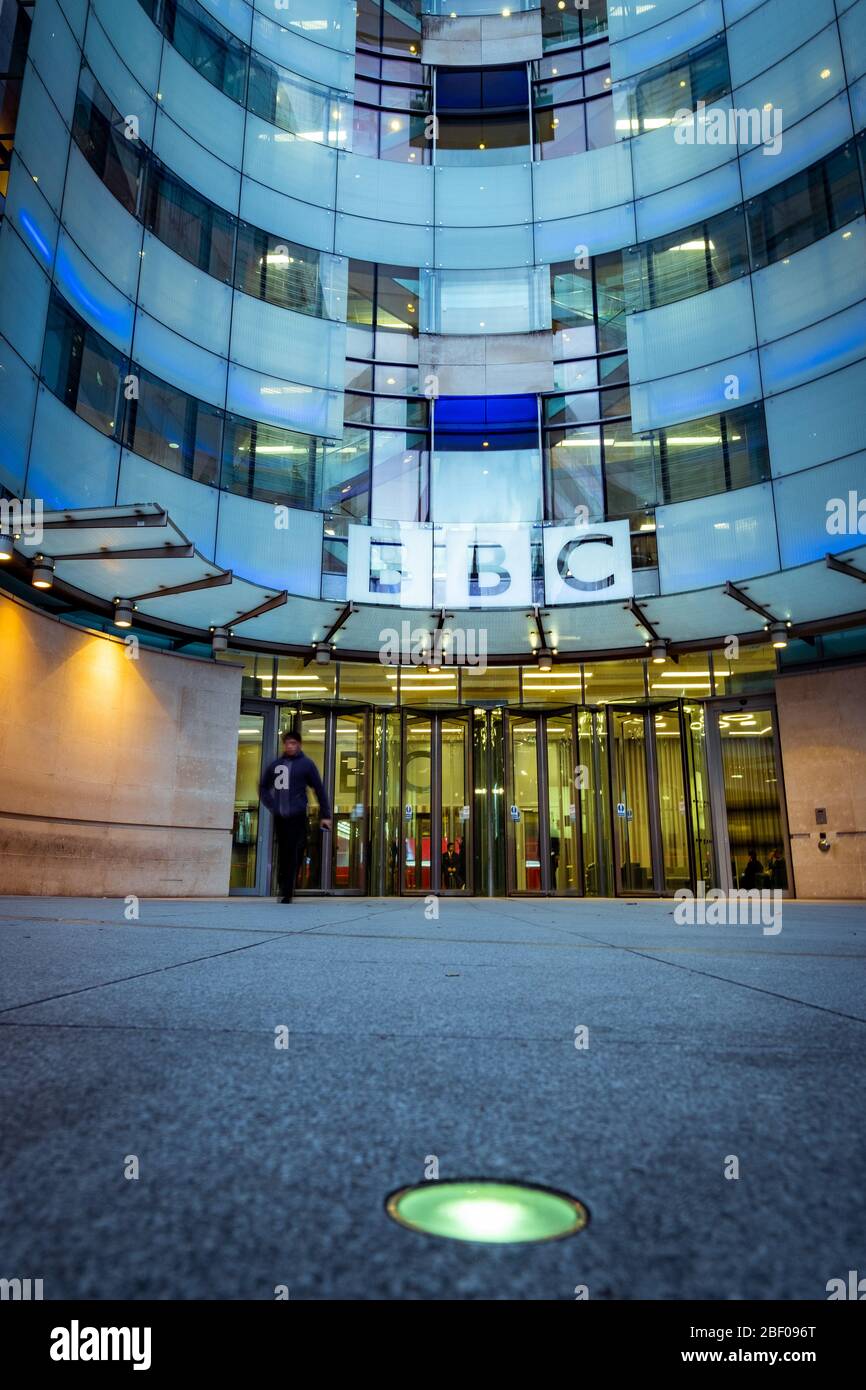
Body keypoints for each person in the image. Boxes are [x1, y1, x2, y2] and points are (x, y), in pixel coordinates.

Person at [259, 730, 331, 903]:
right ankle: (285, 887)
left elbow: (318, 789)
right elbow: (263, 787)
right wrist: (273, 805)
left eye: (293, 743)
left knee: (295, 850)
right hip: (281, 816)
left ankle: (287, 887)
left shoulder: (306, 764)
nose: (290, 746)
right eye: (287, 743)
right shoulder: (276, 764)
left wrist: (325, 814)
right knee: (285, 851)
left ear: (299, 745)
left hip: (297, 815)